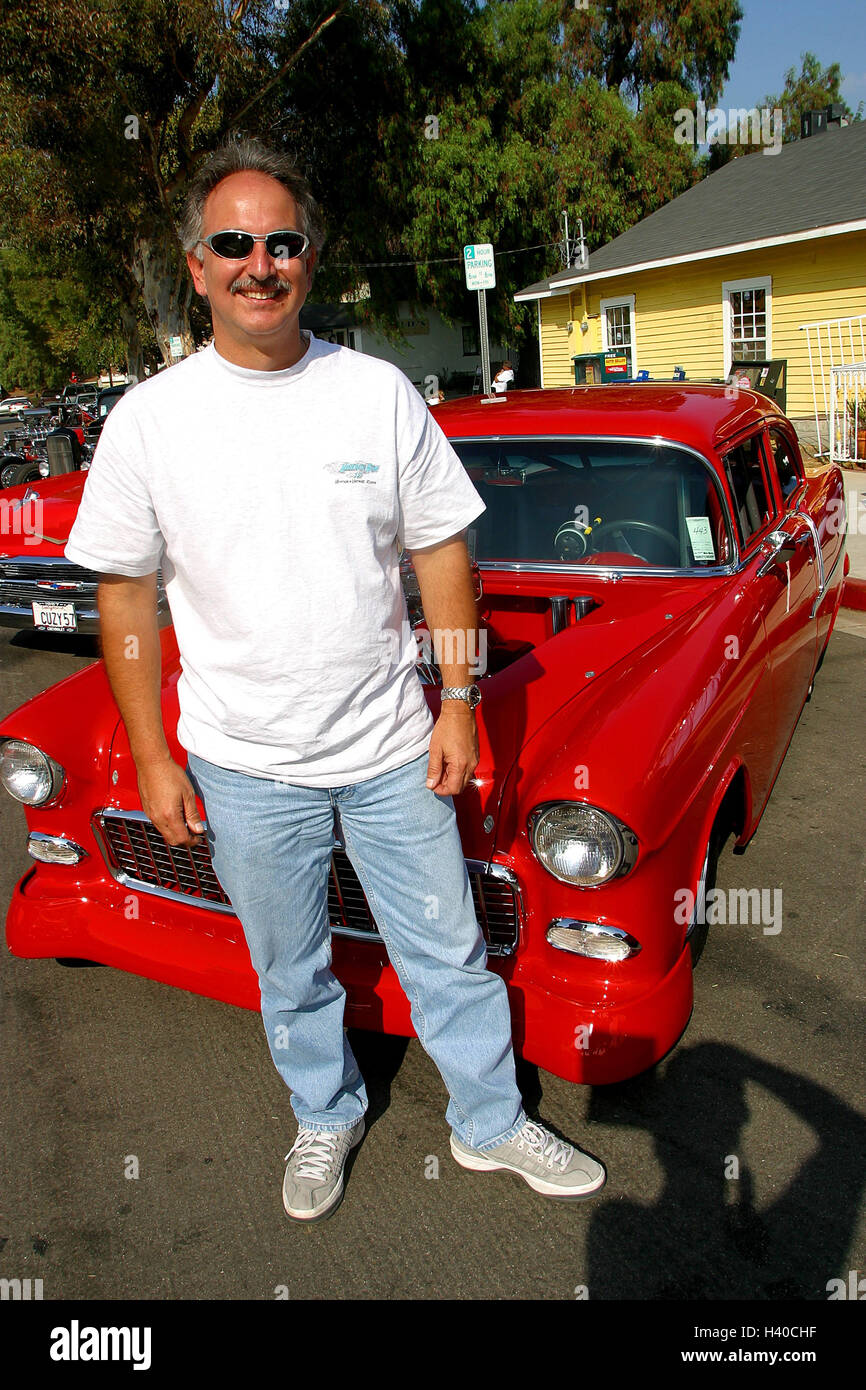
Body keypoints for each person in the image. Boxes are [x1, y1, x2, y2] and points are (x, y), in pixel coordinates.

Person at [65, 138, 606, 1222]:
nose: (258, 262)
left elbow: (440, 552)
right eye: (233, 243)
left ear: (308, 257)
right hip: (243, 761)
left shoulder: (374, 392)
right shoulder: (150, 422)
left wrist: (456, 701)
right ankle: (325, 1108)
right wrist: (159, 754)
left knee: (446, 945)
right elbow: (125, 598)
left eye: (281, 241)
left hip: (389, 750)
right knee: (291, 964)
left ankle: (488, 1121)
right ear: (196, 263)